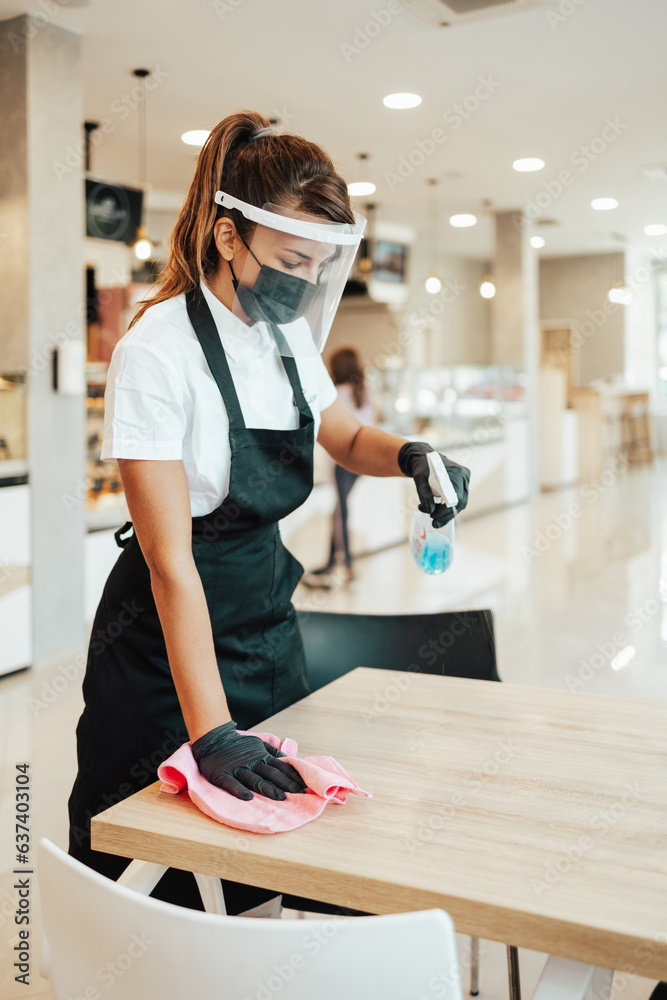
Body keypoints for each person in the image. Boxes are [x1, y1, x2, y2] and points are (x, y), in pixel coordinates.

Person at [67, 110, 471, 918]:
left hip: (266, 627)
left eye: (321, 263)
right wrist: (208, 731)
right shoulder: (156, 352)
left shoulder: (286, 339)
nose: (307, 281)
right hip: (164, 647)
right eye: (292, 260)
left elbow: (343, 432)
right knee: (158, 877)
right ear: (227, 236)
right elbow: (170, 563)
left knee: (271, 855)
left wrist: (408, 455)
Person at [303, 346, 374, 587]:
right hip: (362, 462)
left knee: (341, 512)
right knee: (339, 510)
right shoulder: (364, 392)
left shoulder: (335, 394)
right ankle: (332, 563)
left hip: (342, 462)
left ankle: (348, 564)